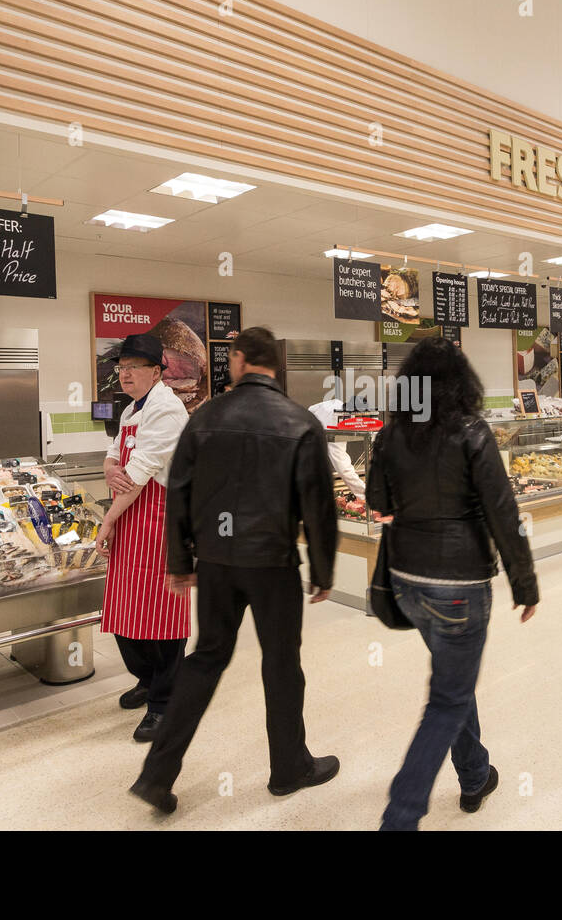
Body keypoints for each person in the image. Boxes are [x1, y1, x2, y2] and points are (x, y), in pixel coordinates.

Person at [129, 327, 339, 814]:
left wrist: (180, 560)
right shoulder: (299, 422)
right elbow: (318, 503)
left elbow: (178, 490)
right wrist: (324, 569)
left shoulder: (205, 418)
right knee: (281, 663)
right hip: (274, 564)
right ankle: (289, 768)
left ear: (243, 360)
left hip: (217, 562)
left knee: (205, 660)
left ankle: (157, 775)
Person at [366, 338, 540, 831]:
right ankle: (400, 815)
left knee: (451, 680)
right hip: (459, 584)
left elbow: (378, 502)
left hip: (406, 581)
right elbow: (502, 512)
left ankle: (474, 774)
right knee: (446, 699)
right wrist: (524, 583)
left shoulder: (392, 433)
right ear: (463, 381)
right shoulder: (473, 431)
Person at [95, 333, 192, 742]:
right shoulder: (133, 408)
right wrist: (106, 465)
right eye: (121, 368)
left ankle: (165, 702)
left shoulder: (168, 410)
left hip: (161, 521)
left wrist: (108, 520)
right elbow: (116, 454)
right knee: (125, 611)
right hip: (132, 517)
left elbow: (138, 474)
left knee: (163, 616)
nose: (125, 374)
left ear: (157, 372)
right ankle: (148, 678)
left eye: (134, 367)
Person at [307, 398, 366, 498]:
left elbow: (311, 409)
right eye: (359, 417)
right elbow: (344, 469)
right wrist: (365, 494)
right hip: (309, 440)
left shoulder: (337, 403)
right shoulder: (337, 426)